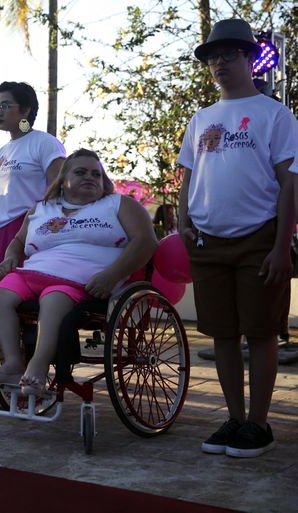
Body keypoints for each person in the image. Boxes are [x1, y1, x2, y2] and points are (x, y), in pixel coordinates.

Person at [177, 18, 298, 458]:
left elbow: (290, 183)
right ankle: (234, 419)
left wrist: (282, 246)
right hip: (207, 242)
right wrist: (182, 221)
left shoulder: (276, 115)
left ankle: (259, 425)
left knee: (261, 334)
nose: (219, 63)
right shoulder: (201, 118)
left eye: (229, 54)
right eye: (213, 57)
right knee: (222, 334)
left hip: (259, 239)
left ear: (250, 58)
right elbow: (187, 177)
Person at [0, 149, 156, 397]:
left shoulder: (119, 204)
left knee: (53, 299)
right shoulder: (41, 209)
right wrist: (10, 257)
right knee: (0, 297)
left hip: (79, 281)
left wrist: (112, 276)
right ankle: (13, 363)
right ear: (63, 180)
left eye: (96, 174)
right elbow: (18, 241)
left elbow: (146, 241)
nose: (90, 177)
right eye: (81, 172)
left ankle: (38, 367)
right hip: (32, 273)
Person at [0, 81, 67, 288]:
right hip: (0, 230)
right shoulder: (1, 152)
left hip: (28, 229)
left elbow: (60, 189)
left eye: (6, 106)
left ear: (25, 110)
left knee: (21, 293)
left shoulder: (44, 143)